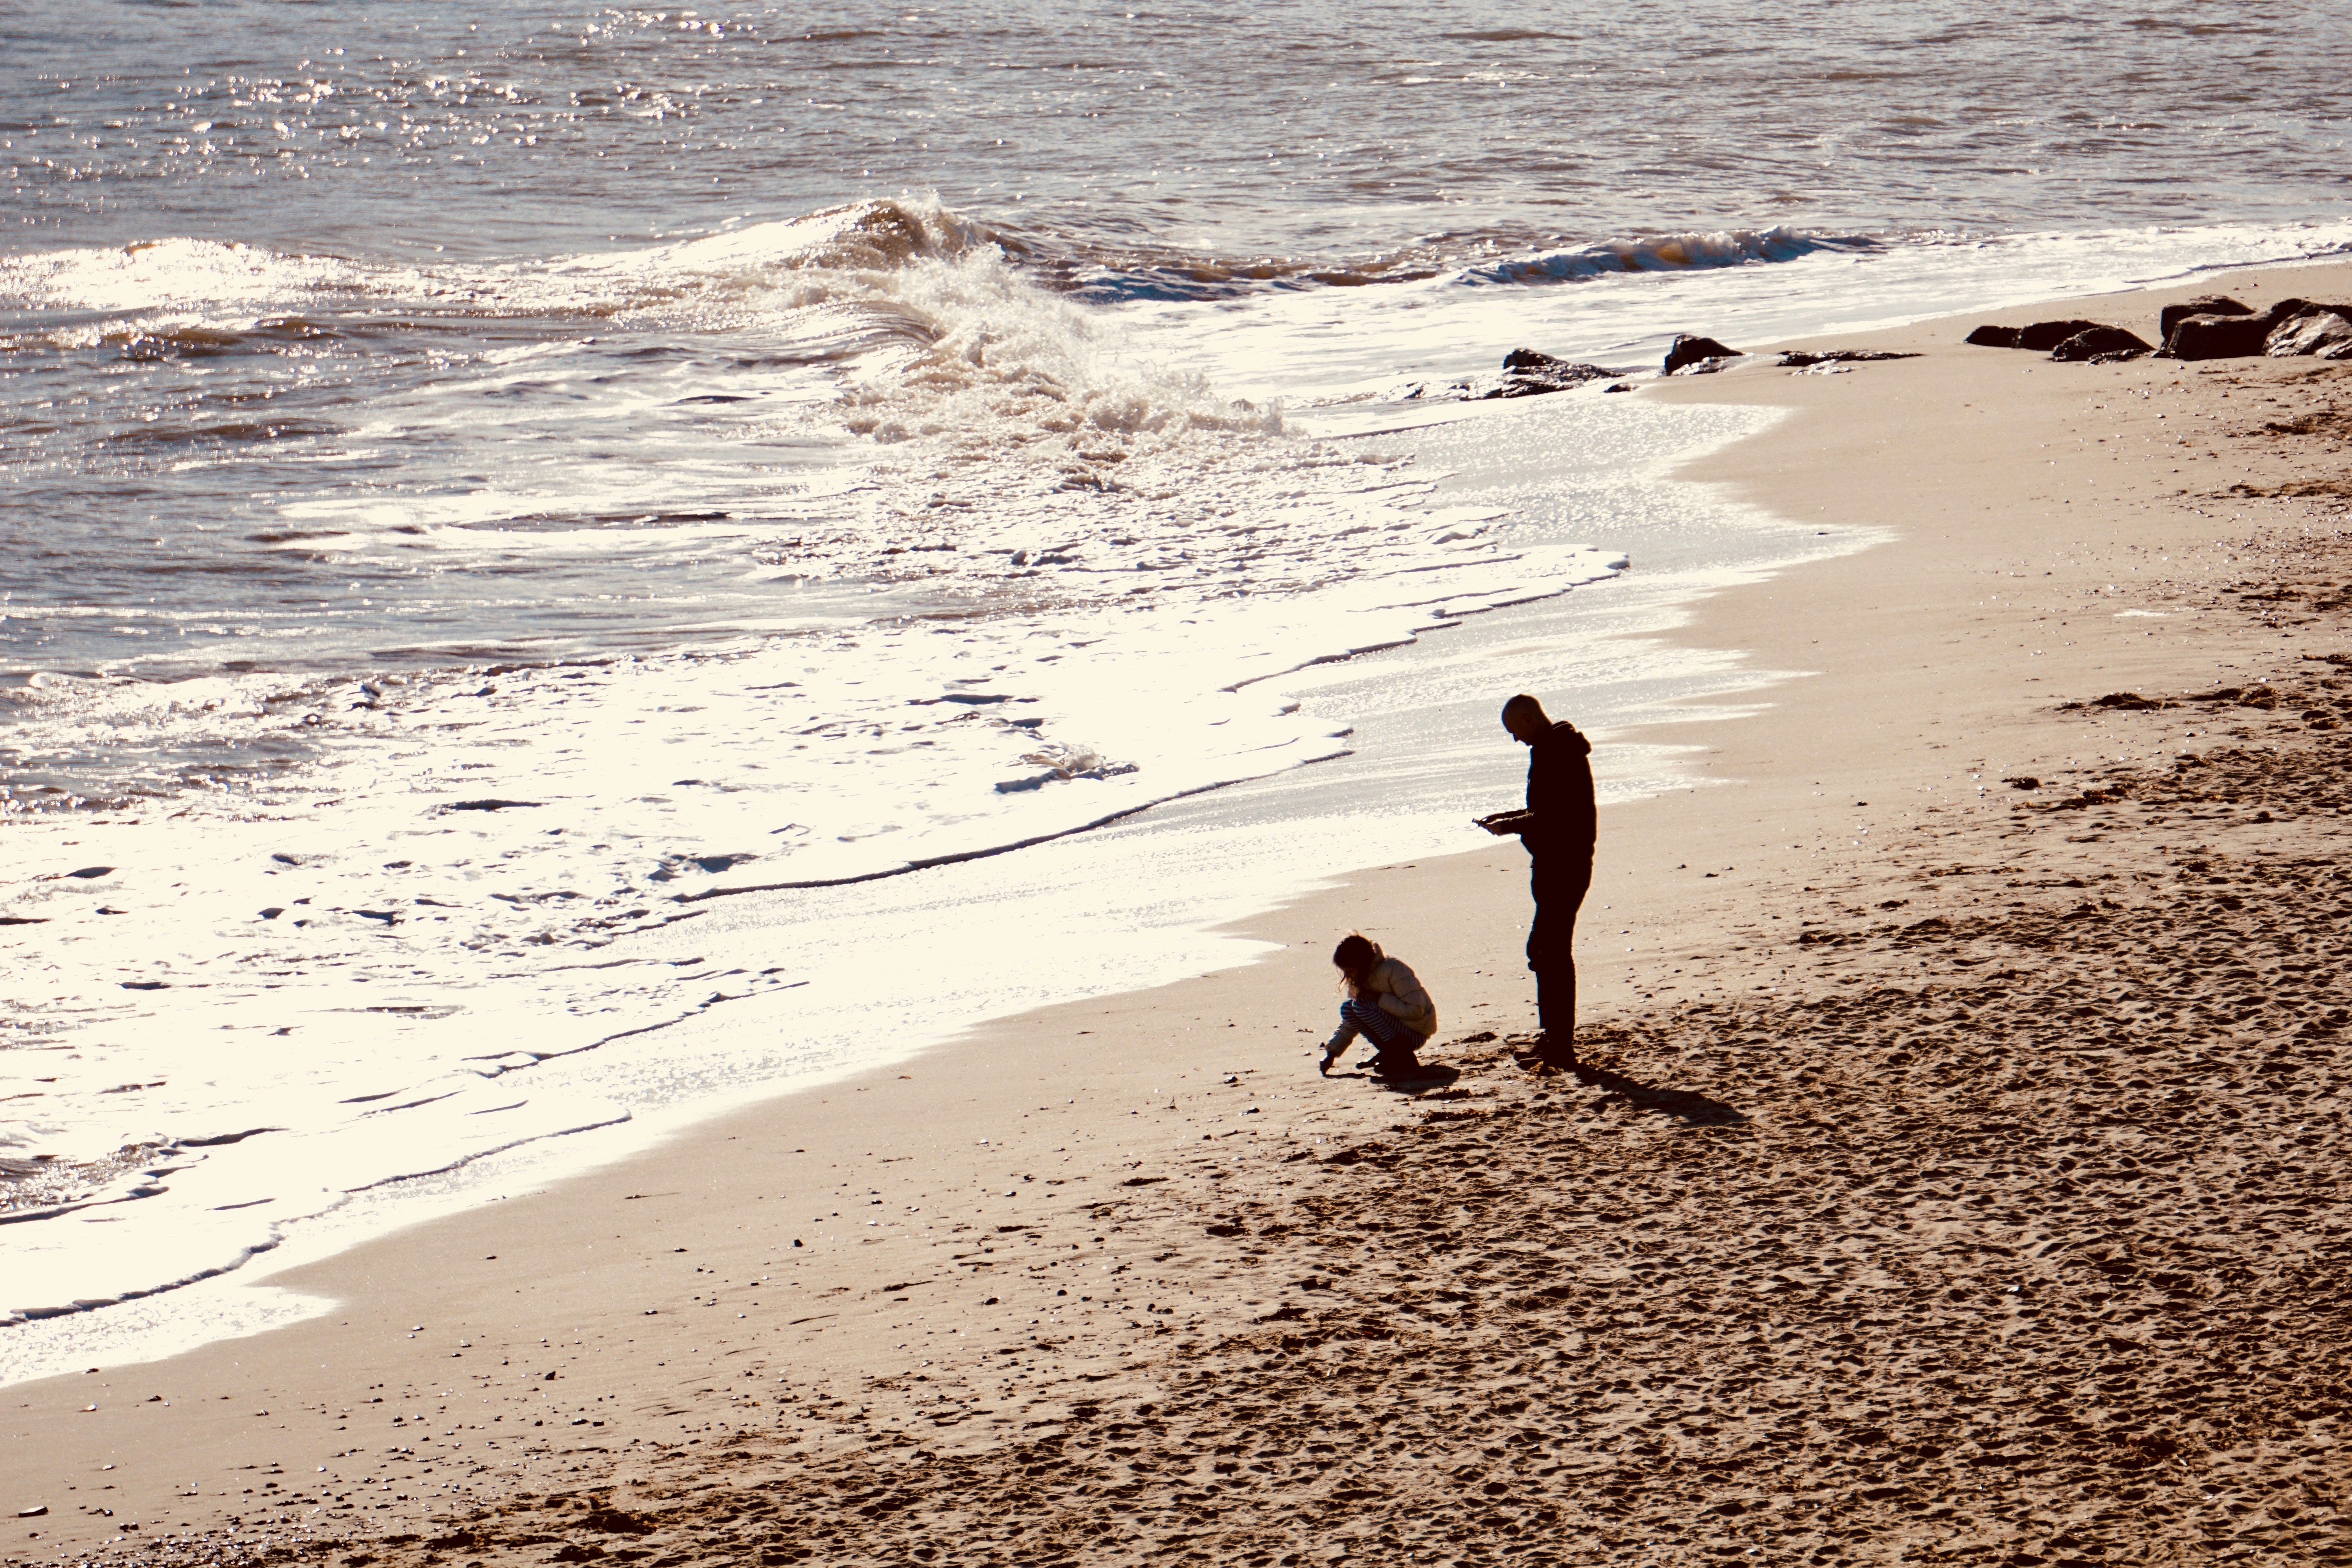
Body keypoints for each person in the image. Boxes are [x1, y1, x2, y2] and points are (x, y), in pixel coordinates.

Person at [1476, 693, 1596, 1075]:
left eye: (1514, 731)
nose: (1515, 740)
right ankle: (1553, 1038)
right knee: (1542, 950)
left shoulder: (1556, 751)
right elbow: (1545, 811)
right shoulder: (1553, 748)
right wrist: (1507, 817)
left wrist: (1508, 825)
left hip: (1565, 866)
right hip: (1556, 864)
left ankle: (1560, 1045)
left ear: (1528, 720)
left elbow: (1552, 817)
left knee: (1552, 953)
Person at [1318, 933, 1437, 1079]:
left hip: (1415, 1032)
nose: (1347, 976)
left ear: (1362, 963)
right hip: (1395, 1035)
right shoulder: (1358, 979)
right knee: (1348, 1008)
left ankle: (1401, 1056)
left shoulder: (1394, 969)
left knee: (1362, 1006)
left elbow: (1416, 1011)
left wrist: (1379, 998)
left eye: (1350, 971)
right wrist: (1332, 1054)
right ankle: (1392, 1054)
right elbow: (1350, 1024)